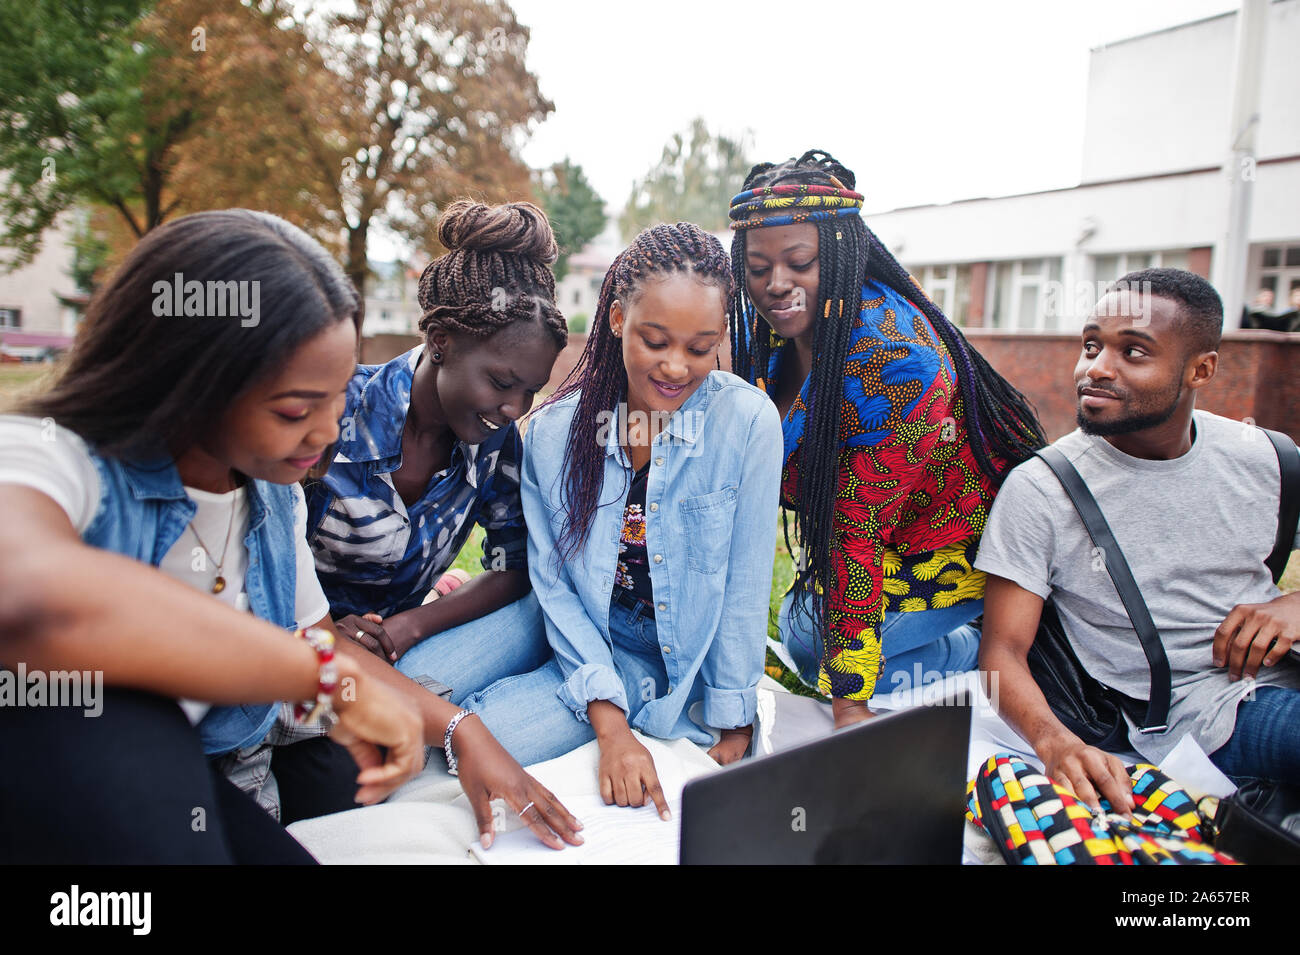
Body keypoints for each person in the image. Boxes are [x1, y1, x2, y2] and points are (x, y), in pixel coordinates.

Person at [0, 209, 580, 862]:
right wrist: (323, 678)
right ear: (197, 376)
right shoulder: (47, 457)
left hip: (224, 763)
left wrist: (457, 728)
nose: (331, 431)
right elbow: (27, 597)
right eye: (297, 408)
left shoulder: (272, 493)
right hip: (80, 771)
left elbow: (318, 637)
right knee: (133, 722)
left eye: (338, 400)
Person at [459, 222, 783, 816]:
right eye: (655, 341)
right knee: (423, 685)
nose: (677, 368)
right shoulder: (555, 433)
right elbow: (554, 584)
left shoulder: (748, 424)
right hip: (567, 619)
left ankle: (569, 688)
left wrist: (733, 721)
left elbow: (743, 587)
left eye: (701, 347)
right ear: (616, 320)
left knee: (481, 735)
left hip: (650, 658)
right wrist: (612, 732)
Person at [726, 150, 1046, 729]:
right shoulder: (764, 326)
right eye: (757, 267)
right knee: (804, 628)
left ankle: (989, 653)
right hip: (879, 534)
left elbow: (858, 530)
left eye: (800, 262)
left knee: (815, 651)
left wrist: (851, 702)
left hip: (950, 546)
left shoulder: (898, 363)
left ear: (844, 256)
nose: (777, 284)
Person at [976, 268, 1300, 813]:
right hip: (1204, 710)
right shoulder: (1043, 487)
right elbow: (1001, 651)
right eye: (1092, 345)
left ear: (1201, 369)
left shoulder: (1266, 456)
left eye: (1133, 352)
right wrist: (1055, 743)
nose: (1096, 368)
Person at [304, 200, 567, 711]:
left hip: (395, 644)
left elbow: (512, 565)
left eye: (532, 390)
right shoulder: (333, 413)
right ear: (441, 342)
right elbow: (264, 555)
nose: (516, 409)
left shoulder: (495, 445)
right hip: (295, 635)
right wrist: (325, 631)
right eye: (502, 382)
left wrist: (410, 625)